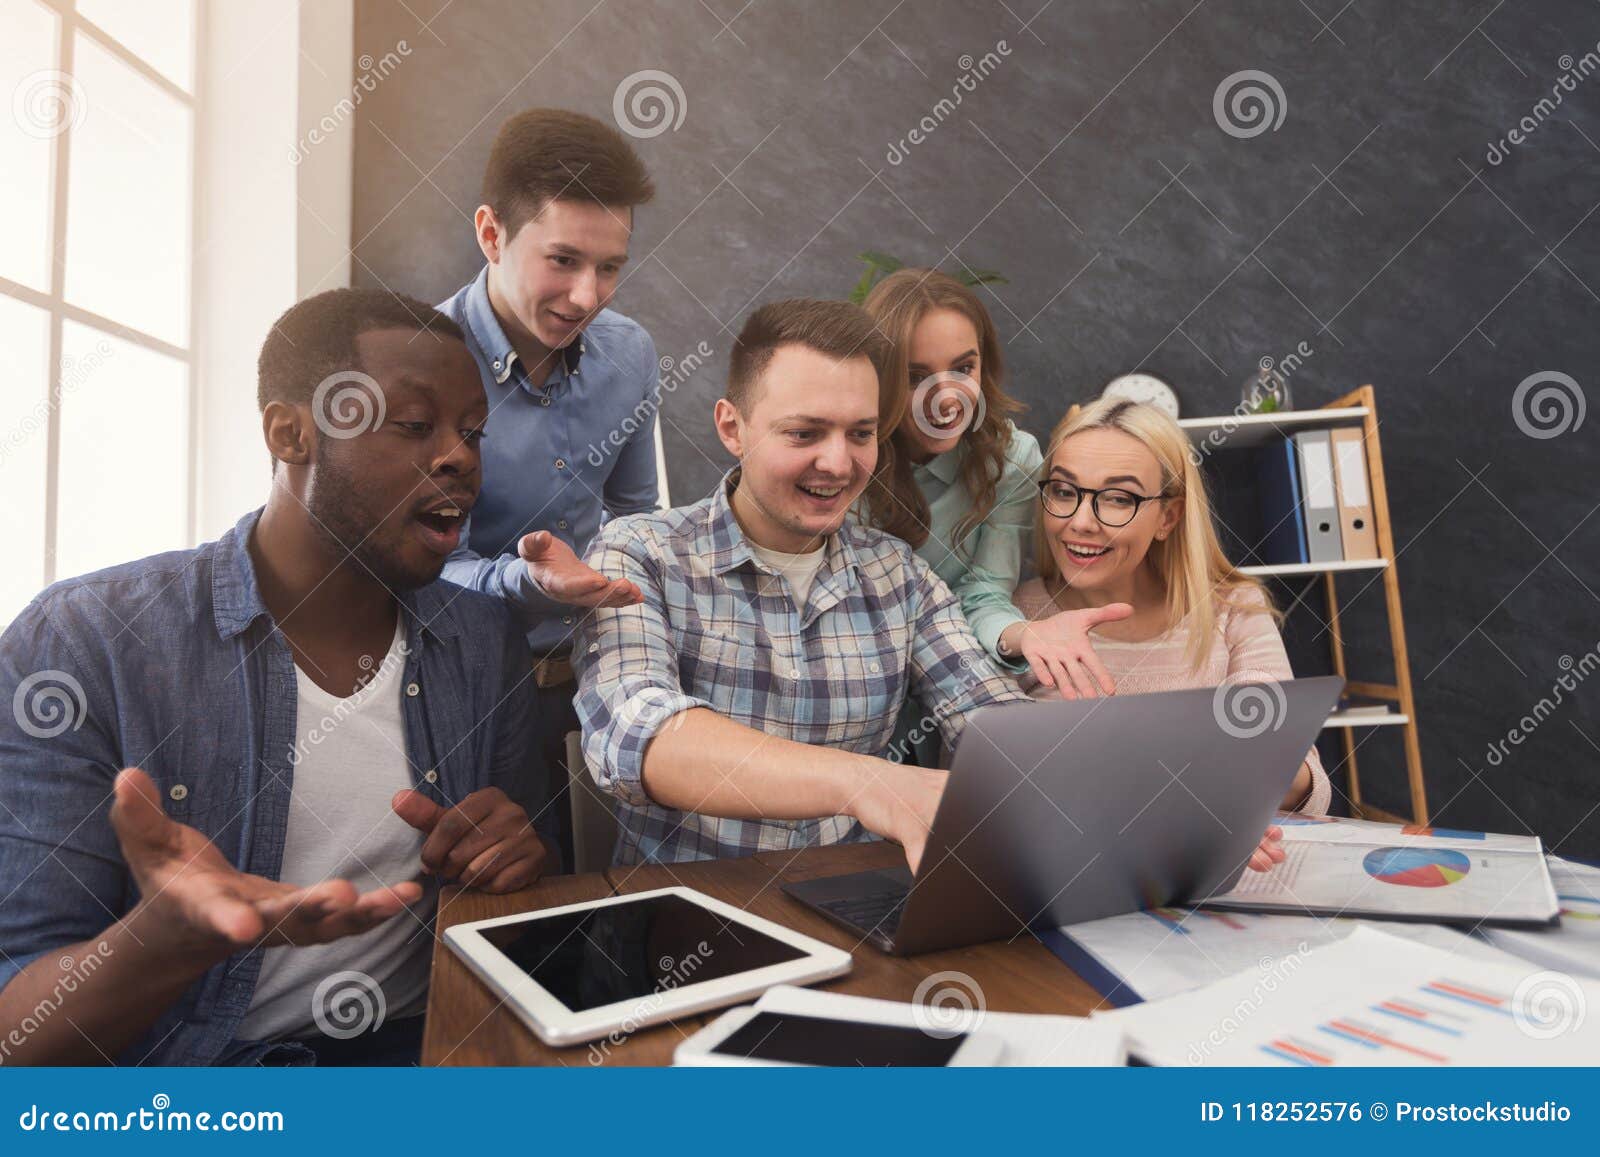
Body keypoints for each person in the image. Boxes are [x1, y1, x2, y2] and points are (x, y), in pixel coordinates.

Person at [0, 290, 558, 1065]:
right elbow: (15, 1033)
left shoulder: (483, 637)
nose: (459, 456)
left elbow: (534, 912)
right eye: (414, 424)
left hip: (437, 1055)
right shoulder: (83, 641)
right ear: (290, 432)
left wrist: (518, 858)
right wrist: (161, 943)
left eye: (472, 432)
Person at [573, 299, 1031, 870]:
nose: (838, 464)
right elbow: (637, 738)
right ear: (732, 428)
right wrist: (867, 783)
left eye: (860, 433)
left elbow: (989, 720)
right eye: (805, 433)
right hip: (678, 925)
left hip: (854, 916)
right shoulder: (640, 552)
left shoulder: (900, 574)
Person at [436, 108, 660, 850]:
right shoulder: (421, 366)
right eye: (562, 260)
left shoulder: (631, 355)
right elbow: (419, 568)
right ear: (491, 234)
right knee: (498, 918)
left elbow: (634, 513)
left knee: (609, 910)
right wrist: (531, 586)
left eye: (610, 267)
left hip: (603, 679)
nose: (588, 296)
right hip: (461, 692)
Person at [1013, 396, 1332, 853]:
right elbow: (976, 792)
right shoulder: (1013, 623)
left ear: (1168, 517)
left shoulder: (1233, 609)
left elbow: (1304, 782)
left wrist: (1253, 785)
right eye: (1064, 492)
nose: (1080, 523)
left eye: (1119, 498)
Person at [860, 270, 1129, 717]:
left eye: (963, 368)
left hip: (950, 675)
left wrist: (1023, 635)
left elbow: (982, 592)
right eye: (915, 376)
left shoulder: (1011, 460)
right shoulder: (844, 464)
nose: (946, 400)